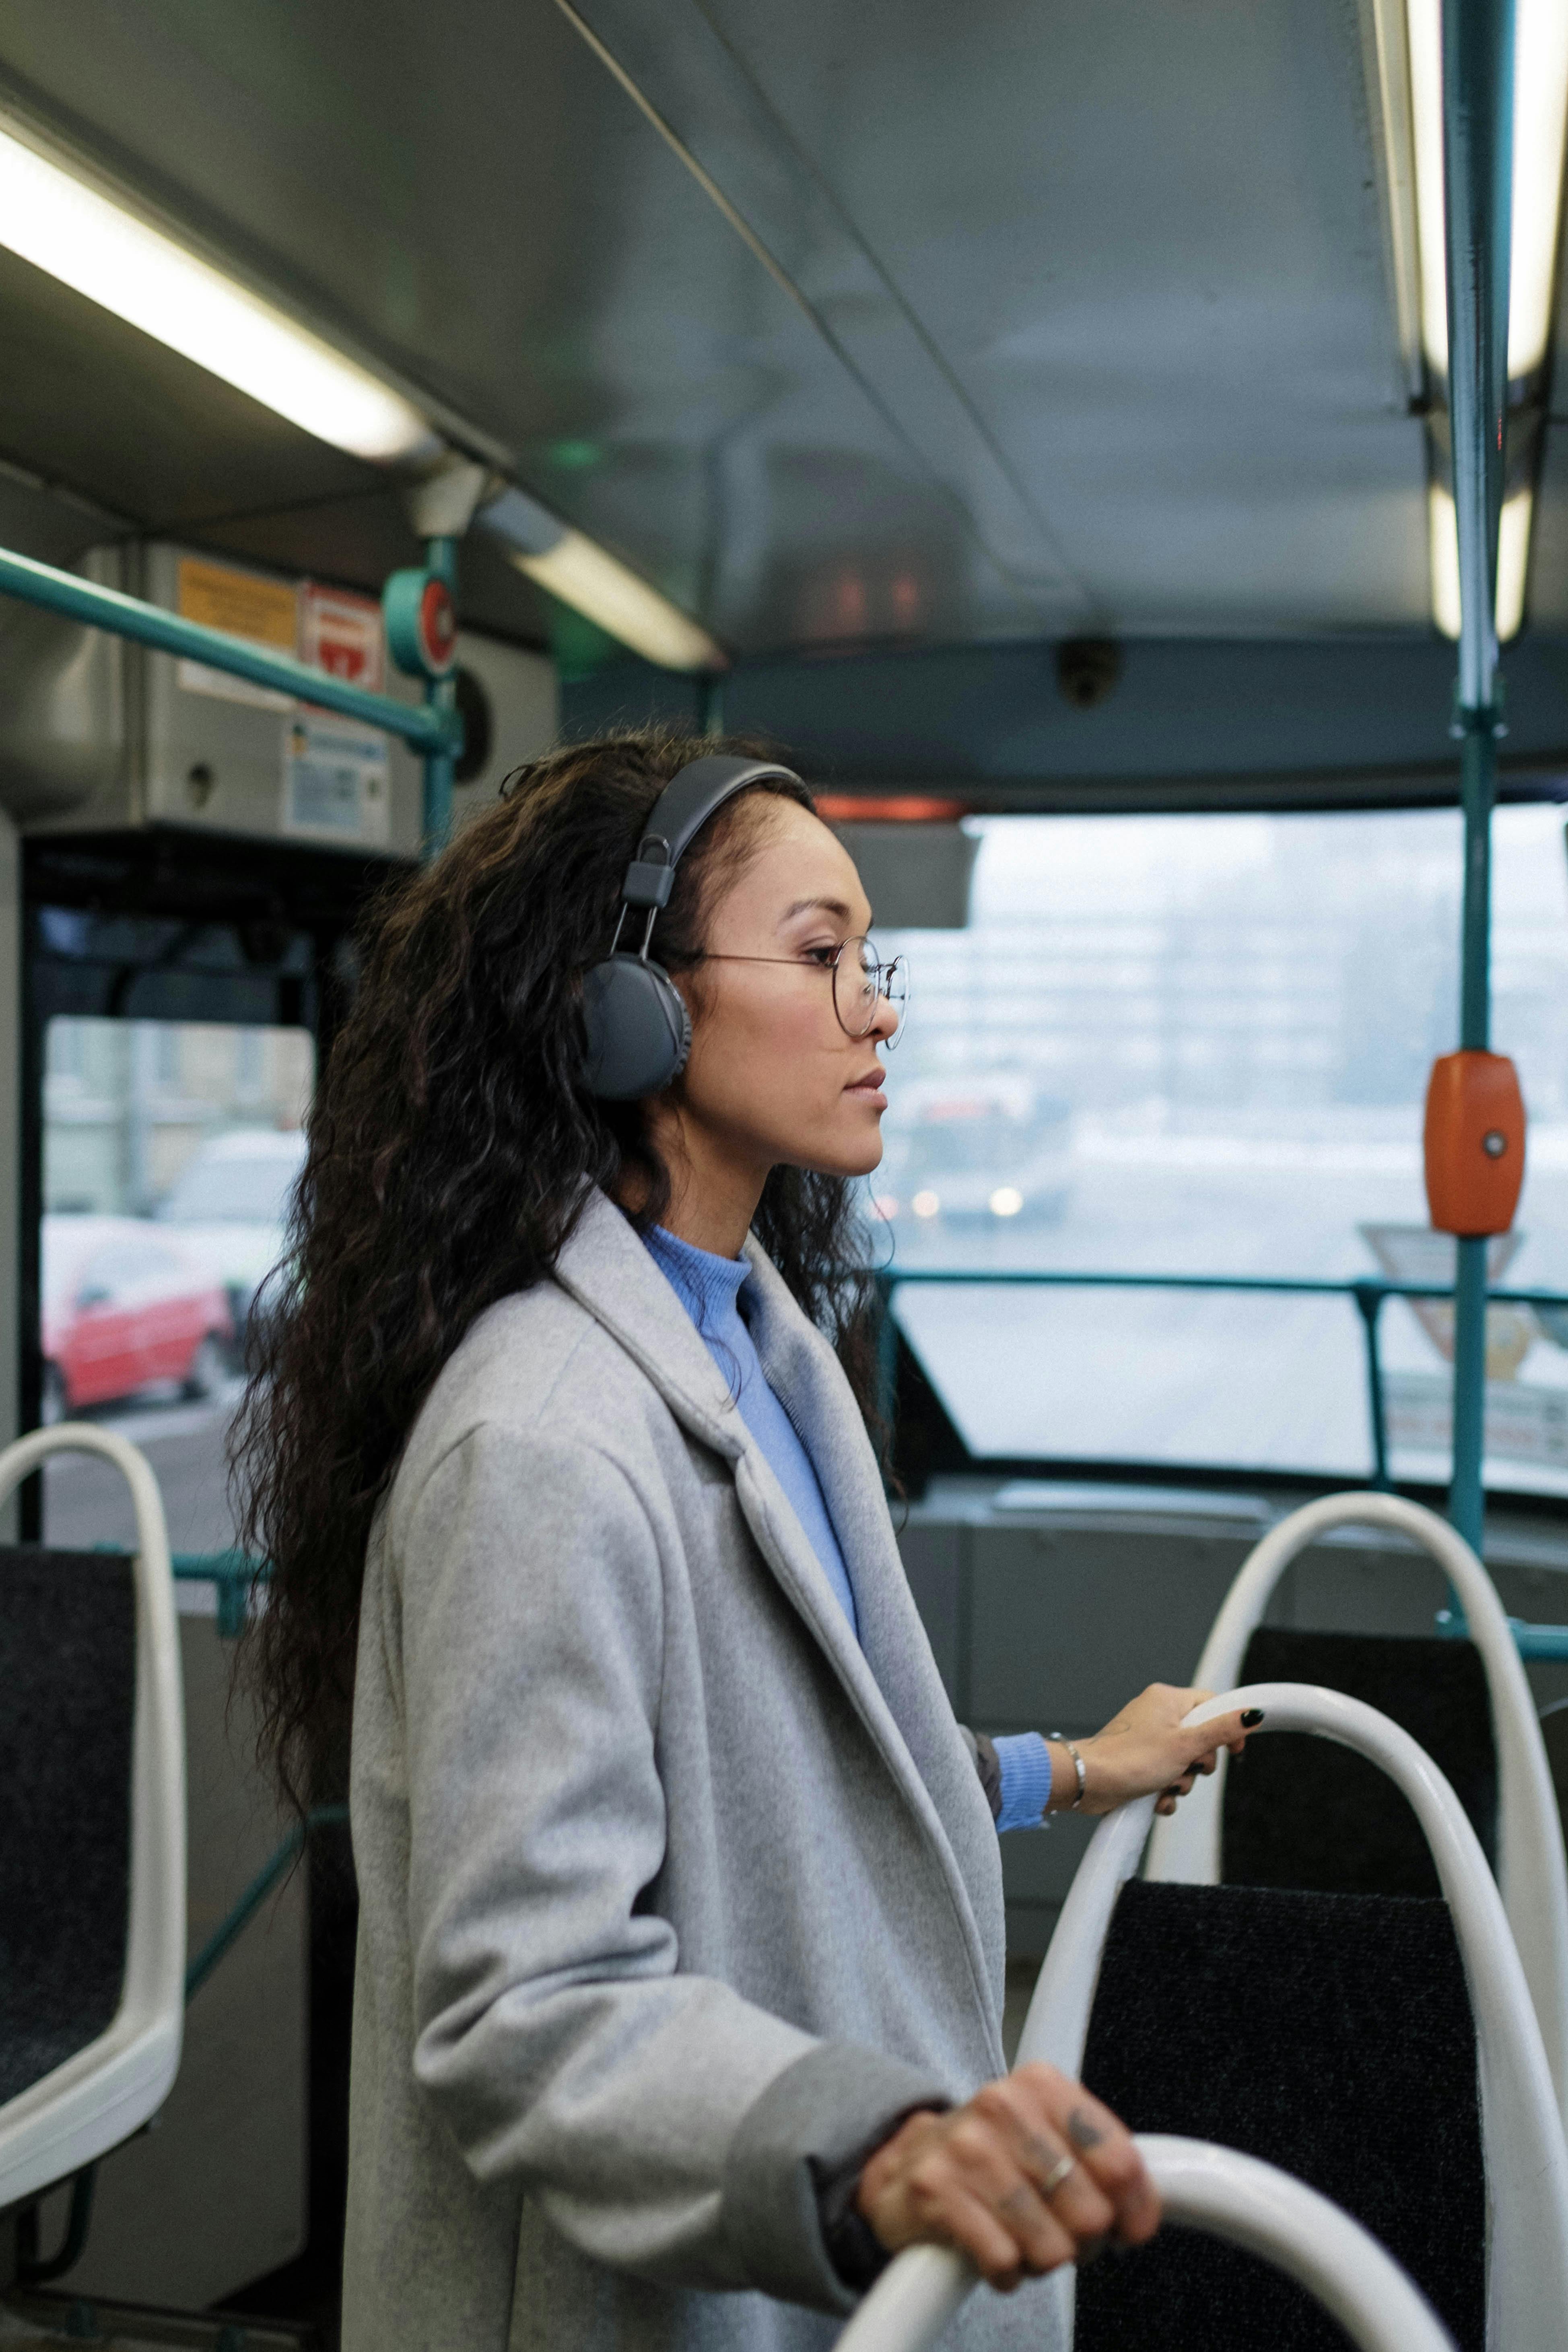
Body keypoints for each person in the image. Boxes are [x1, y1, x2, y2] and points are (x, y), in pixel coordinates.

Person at [237, 730, 1257, 2352]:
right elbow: (531, 2003)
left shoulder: (758, 1346)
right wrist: (870, 2149)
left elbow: (797, 1772)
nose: (879, 1007)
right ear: (632, 1006)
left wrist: (1073, 1768)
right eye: (821, 952)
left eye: (875, 957)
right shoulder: (546, 1440)